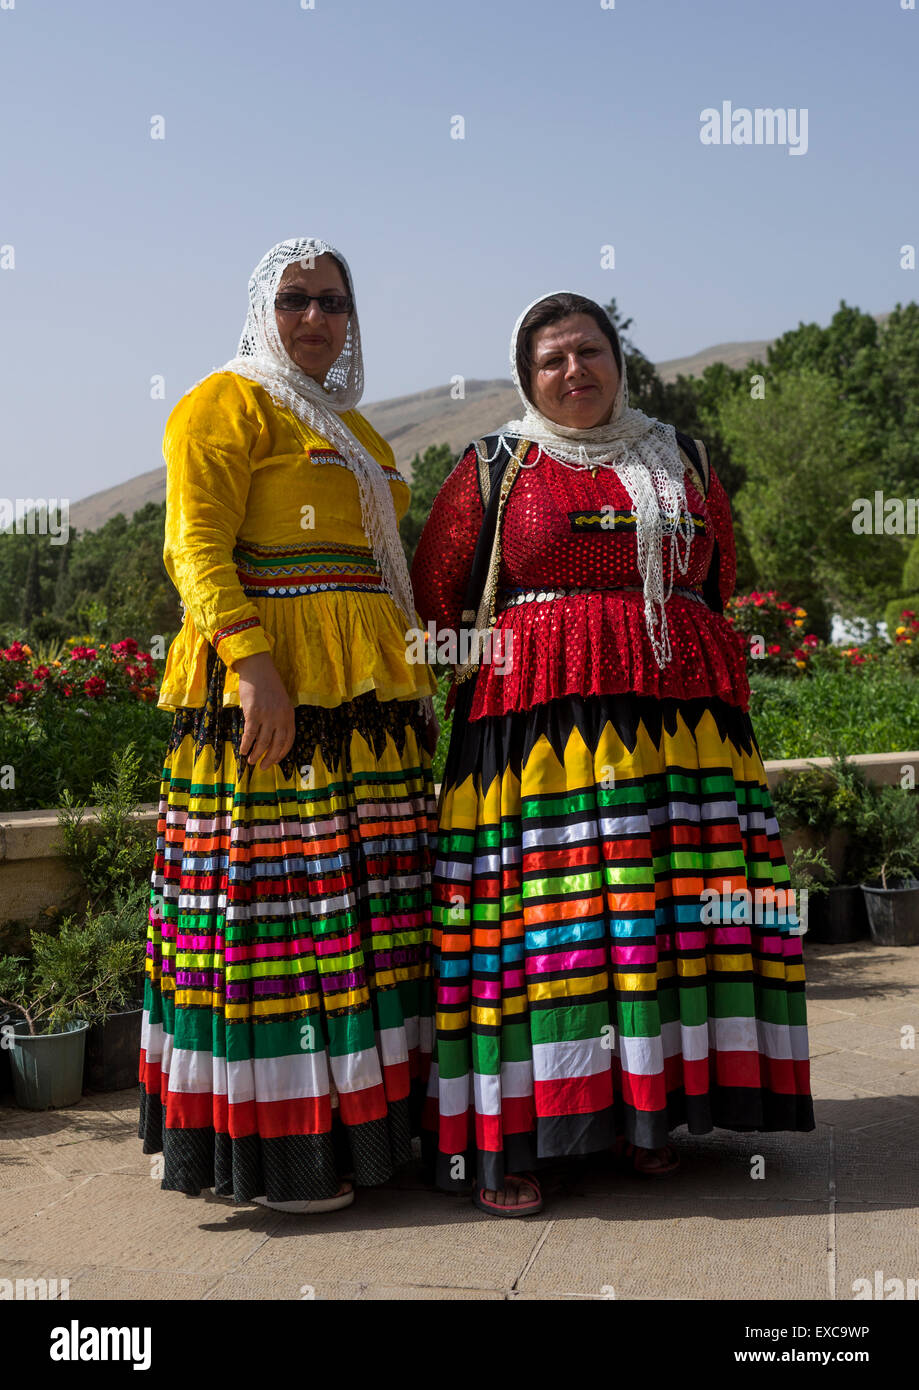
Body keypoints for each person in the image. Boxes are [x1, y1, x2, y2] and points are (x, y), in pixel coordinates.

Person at [411, 291, 814, 1215]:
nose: (573, 372)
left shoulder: (680, 458)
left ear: (616, 359)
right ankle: (521, 1137)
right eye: (551, 360)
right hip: (536, 738)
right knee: (560, 932)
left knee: (655, 927)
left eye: (588, 352)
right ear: (526, 375)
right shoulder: (494, 467)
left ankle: (648, 1119)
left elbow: (716, 576)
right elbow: (439, 601)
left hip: (680, 733)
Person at [139, 238, 438, 1213]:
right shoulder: (222, 403)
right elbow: (194, 545)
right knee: (287, 917)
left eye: (334, 301)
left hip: (364, 707)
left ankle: (373, 1137)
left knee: (365, 918)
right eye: (296, 298)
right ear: (262, 307)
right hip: (274, 700)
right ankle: (286, 1154)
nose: (315, 317)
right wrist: (253, 668)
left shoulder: (358, 432)